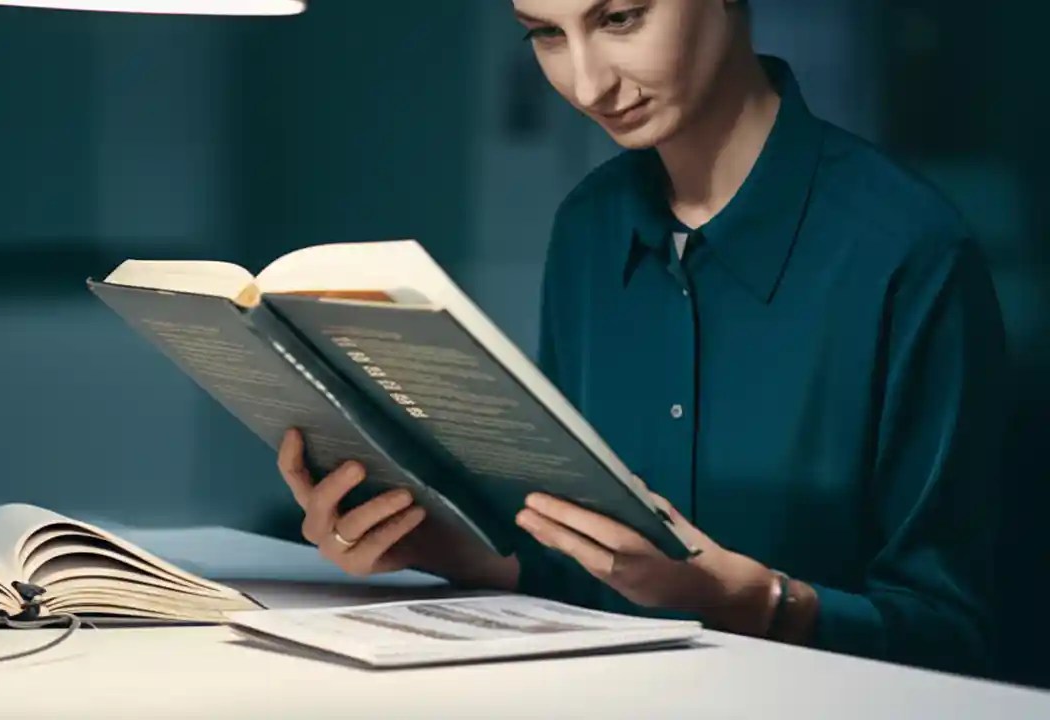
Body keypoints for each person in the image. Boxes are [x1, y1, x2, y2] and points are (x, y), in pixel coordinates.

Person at [275, 0, 1008, 677]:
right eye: (547, 34)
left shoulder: (909, 250)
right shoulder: (588, 230)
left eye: (621, 17)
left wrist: (750, 599)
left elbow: (958, 637)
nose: (588, 85)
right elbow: (587, 570)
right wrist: (444, 548)